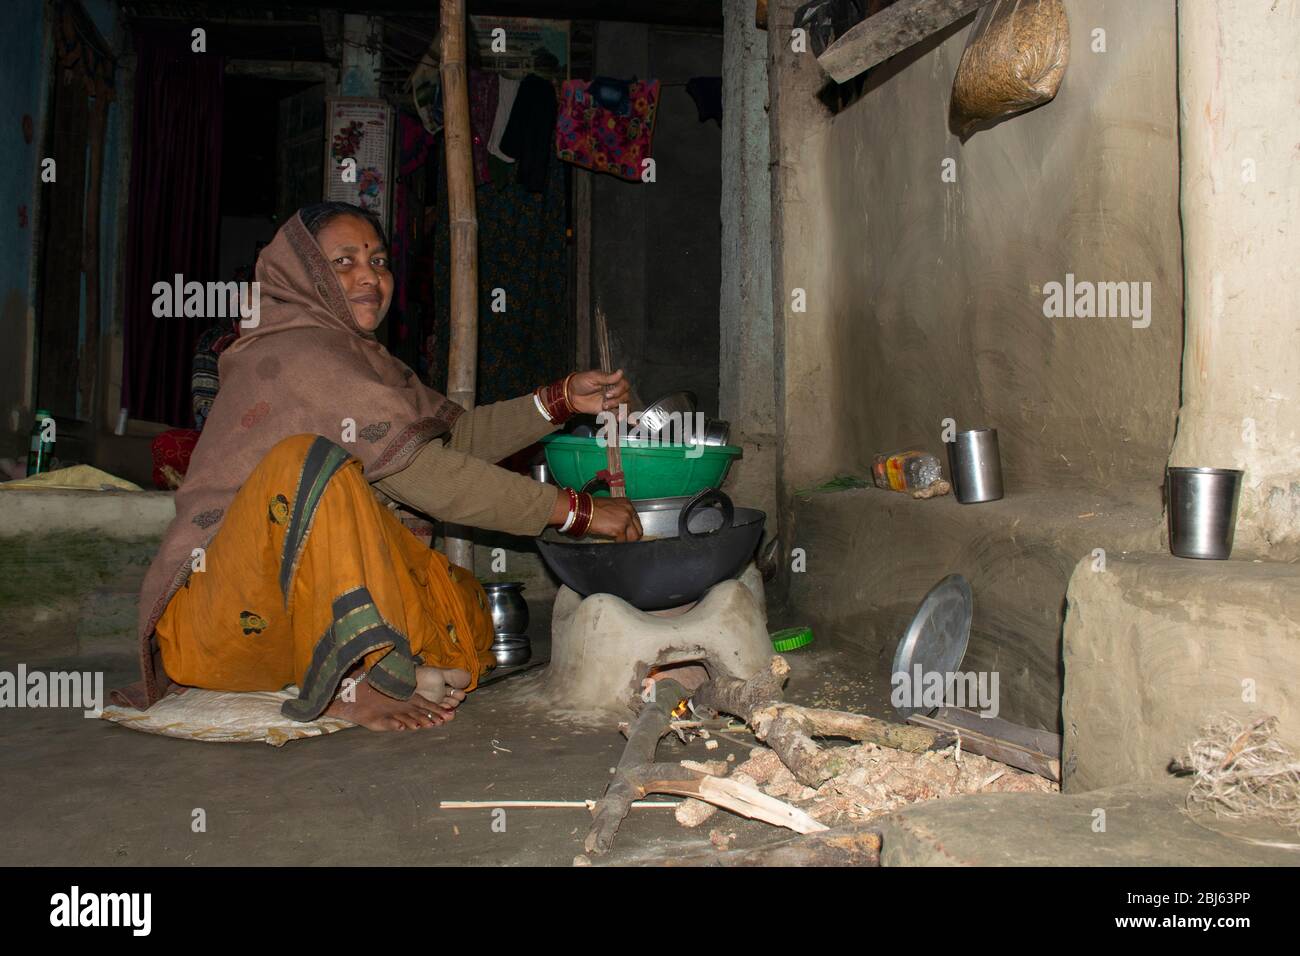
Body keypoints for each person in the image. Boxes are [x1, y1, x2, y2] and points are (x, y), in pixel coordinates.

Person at [114, 201, 642, 732]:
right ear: (304, 275)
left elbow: (450, 442)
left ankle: (381, 665)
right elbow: (426, 478)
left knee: (467, 613)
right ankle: (353, 684)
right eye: (344, 262)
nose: (370, 277)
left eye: (380, 261)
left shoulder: (362, 358)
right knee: (309, 463)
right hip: (225, 622)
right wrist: (578, 511)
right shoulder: (296, 355)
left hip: (288, 630)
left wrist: (560, 399)